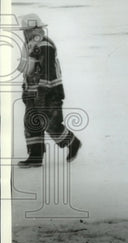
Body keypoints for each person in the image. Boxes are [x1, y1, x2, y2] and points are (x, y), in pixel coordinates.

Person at [16, 14, 82, 168]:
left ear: (36, 29)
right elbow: (28, 72)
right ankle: (35, 156)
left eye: (27, 30)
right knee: (31, 123)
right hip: (33, 92)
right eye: (24, 31)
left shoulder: (45, 45)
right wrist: (25, 91)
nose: (24, 33)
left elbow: (48, 72)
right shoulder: (31, 45)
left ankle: (73, 143)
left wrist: (42, 93)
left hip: (49, 92)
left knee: (51, 123)